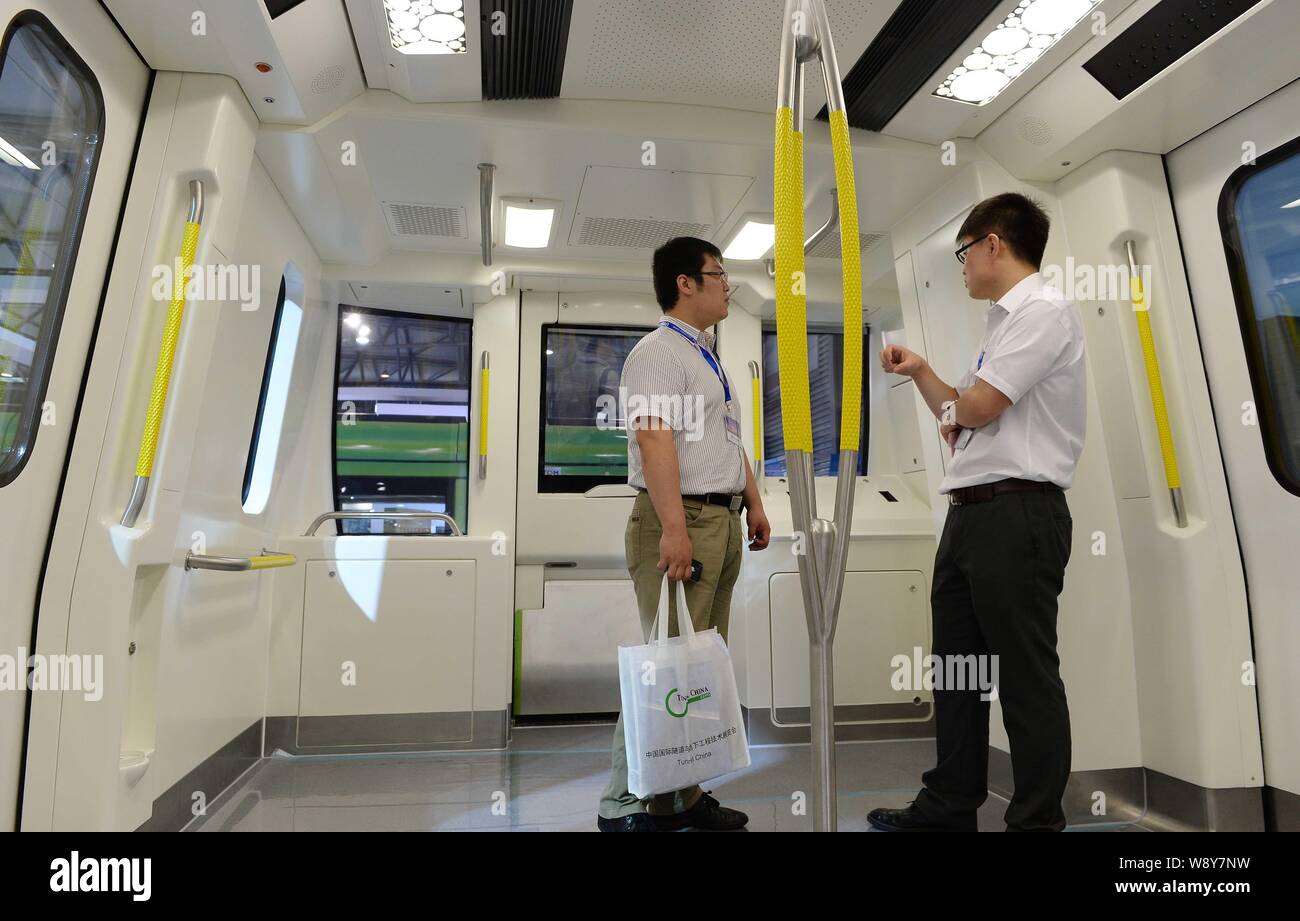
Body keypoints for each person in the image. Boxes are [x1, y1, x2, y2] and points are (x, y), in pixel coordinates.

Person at [869, 193, 1086, 832]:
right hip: (970, 514)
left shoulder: (1044, 311)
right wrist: (924, 374)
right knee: (957, 670)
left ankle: (1036, 820)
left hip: (1018, 514)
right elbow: (960, 406)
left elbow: (980, 408)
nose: (962, 268)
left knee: (1024, 677)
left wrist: (960, 409)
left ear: (993, 244)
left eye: (964, 254)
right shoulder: (1000, 325)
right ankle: (950, 802)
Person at [596, 236, 771, 832]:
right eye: (717, 274)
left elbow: (727, 438)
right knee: (664, 666)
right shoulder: (655, 354)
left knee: (697, 671)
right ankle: (626, 804)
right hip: (681, 521)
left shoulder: (708, 358)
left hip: (718, 519)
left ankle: (685, 798)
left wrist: (752, 501)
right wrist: (674, 528)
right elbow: (653, 439)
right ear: (685, 283)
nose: (727, 285)